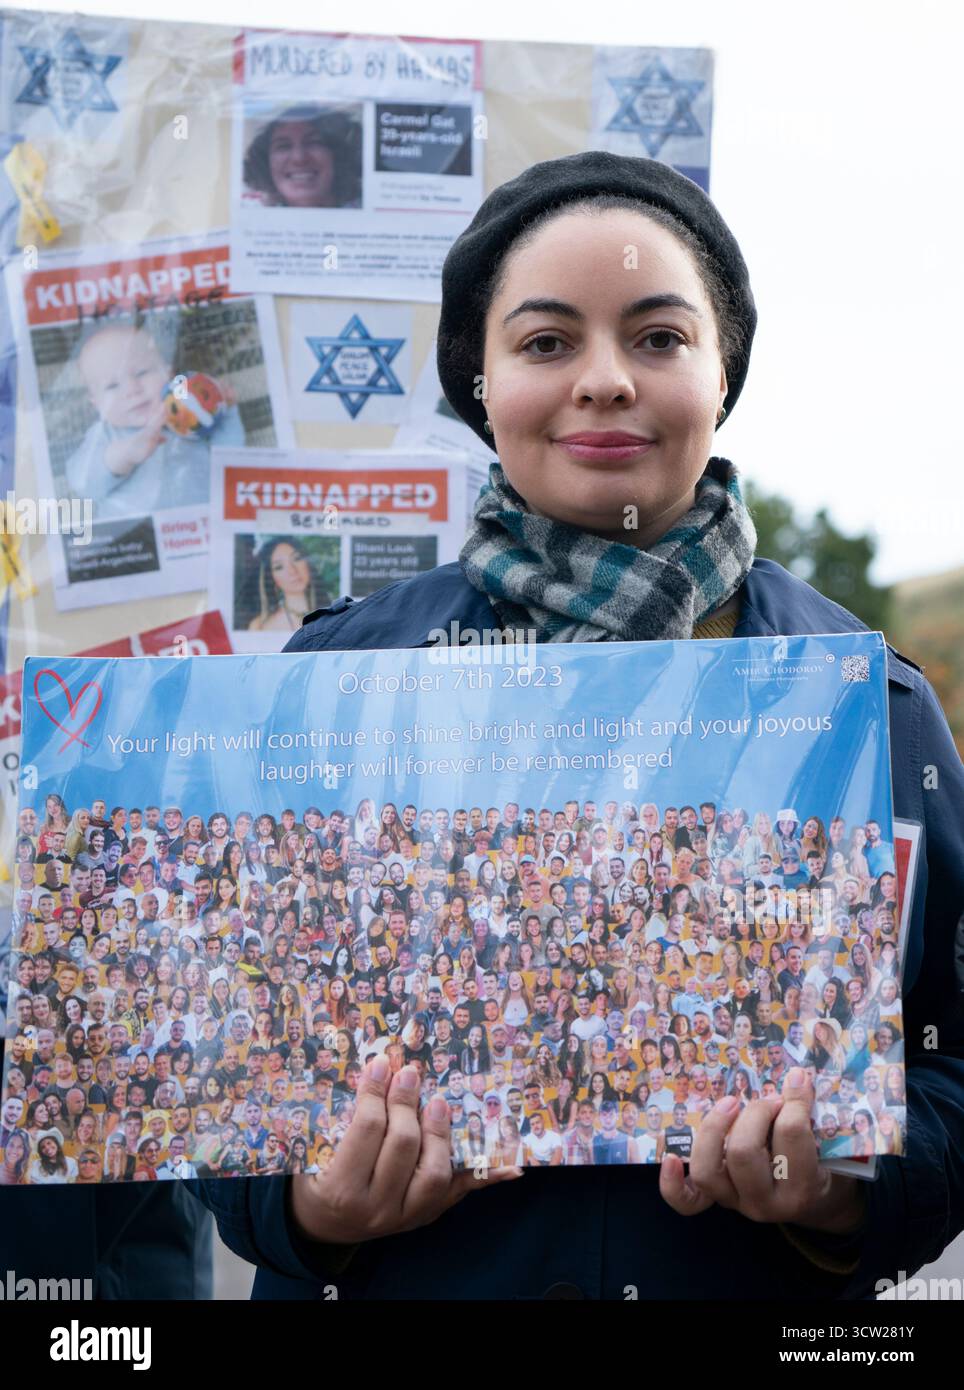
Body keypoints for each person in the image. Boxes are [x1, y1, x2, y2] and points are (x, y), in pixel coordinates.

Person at [173, 151, 964, 1296]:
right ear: (479, 383)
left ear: (722, 371)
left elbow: (946, 1054)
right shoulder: (333, 687)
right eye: (545, 343)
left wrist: (846, 1192)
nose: (605, 380)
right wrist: (302, 1203)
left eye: (658, 337)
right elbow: (208, 1047)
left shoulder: (865, 701)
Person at [65, 322, 245, 519]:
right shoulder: (105, 434)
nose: (132, 389)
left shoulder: (190, 417)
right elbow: (82, 484)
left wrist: (226, 412)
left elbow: (231, 458)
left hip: (202, 526)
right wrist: (124, 455)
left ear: (168, 374)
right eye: (112, 386)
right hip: (137, 538)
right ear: (96, 403)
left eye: (142, 373)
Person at [242, 105, 363, 209]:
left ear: (338, 156)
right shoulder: (248, 222)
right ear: (266, 163)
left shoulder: (373, 218)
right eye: (284, 146)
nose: (299, 158)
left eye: (313, 142)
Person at [247, 538, 332, 633]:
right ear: (271, 578)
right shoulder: (259, 626)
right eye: (279, 567)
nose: (292, 571)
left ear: (307, 563)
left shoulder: (334, 614)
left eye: (296, 558)